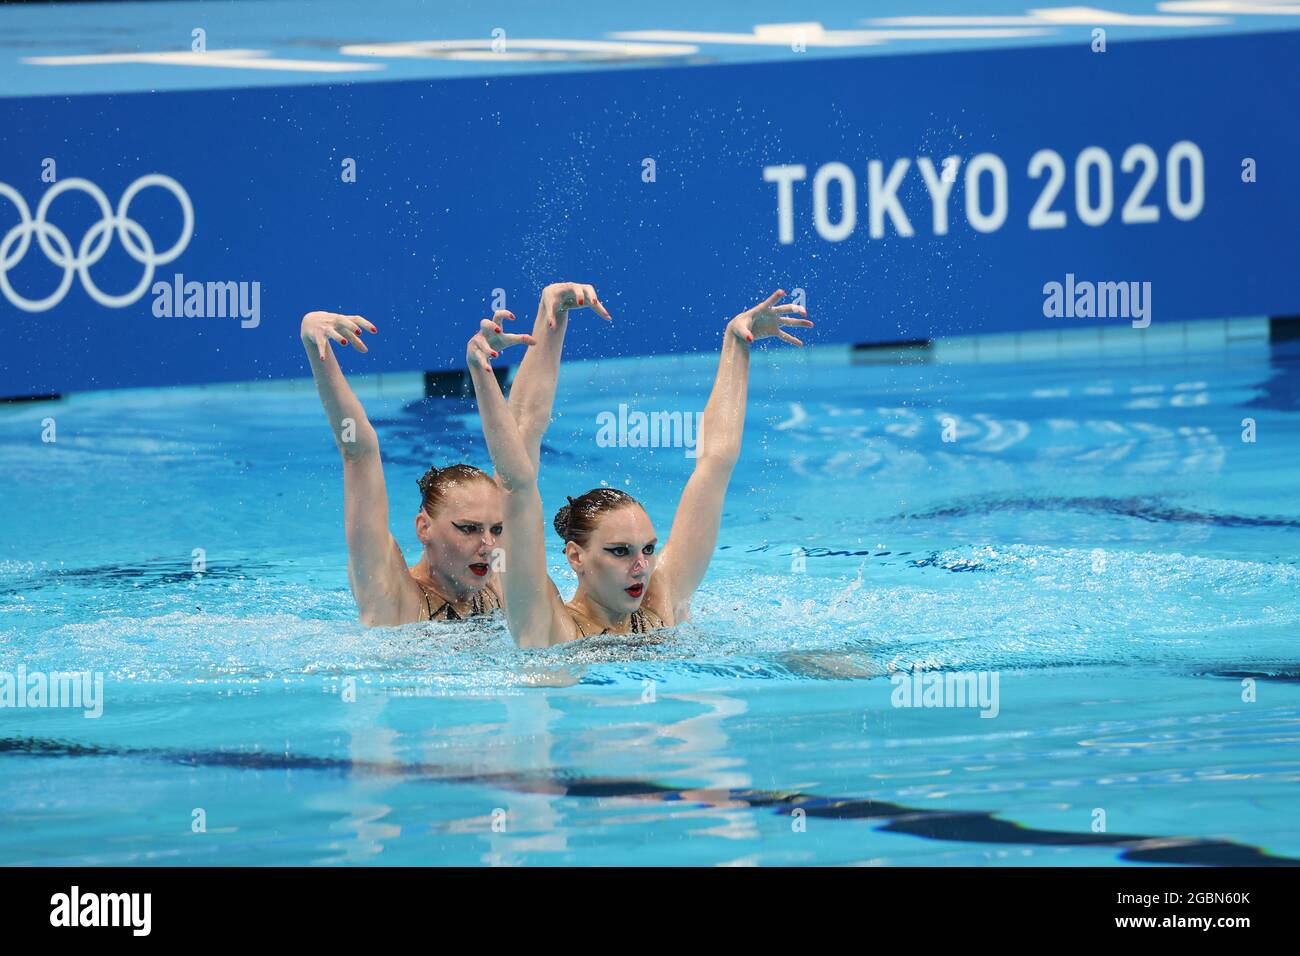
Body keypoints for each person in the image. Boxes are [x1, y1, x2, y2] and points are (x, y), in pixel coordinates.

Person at [467, 290, 811, 646]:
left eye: (647, 549)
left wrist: (737, 342)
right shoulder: (547, 625)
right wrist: (490, 364)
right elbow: (515, 481)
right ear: (575, 556)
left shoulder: (660, 603)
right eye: (620, 551)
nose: (641, 567)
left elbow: (714, 465)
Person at [301, 282, 611, 626]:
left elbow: (524, 425)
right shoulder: (390, 595)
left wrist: (553, 316)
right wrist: (316, 347)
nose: (489, 545)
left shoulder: (499, 582)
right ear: (423, 528)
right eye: (468, 529)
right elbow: (358, 451)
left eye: (496, 529)